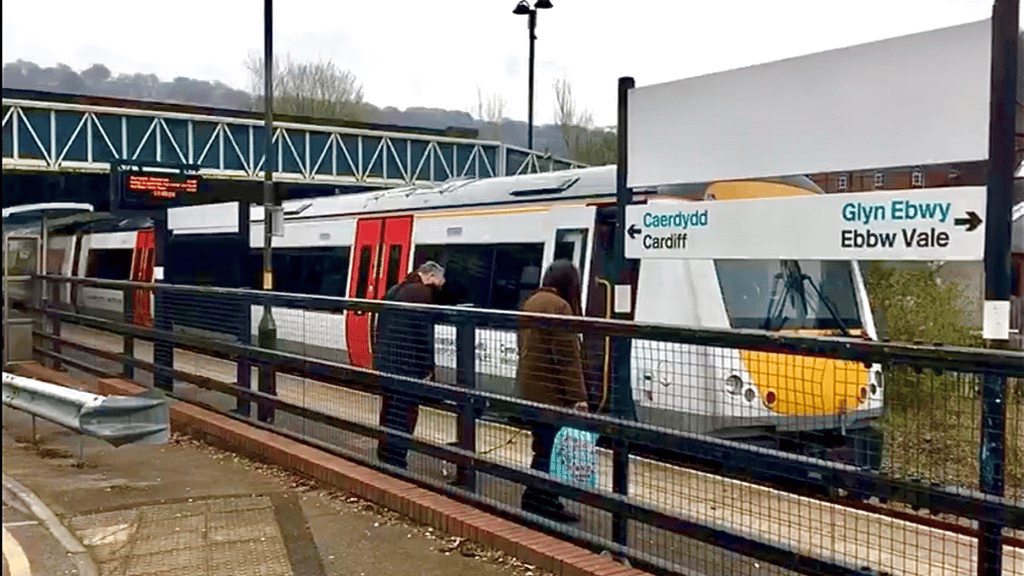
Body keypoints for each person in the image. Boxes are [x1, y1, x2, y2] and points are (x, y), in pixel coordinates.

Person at [516, 260, 589, 523]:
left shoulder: (531, 301)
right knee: (550, 450)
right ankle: (539, 501)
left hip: (529, 388)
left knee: (543, 446)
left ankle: (542, 499)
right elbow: (567, 358)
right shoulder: (560, 307)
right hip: (551, 393)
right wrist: (577, 397)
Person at [374, 261, 445, 470]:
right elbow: (424, 334)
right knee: (405, 413)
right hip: (407, 365)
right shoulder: (421, 293)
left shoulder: (396, 289)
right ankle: (397, 458)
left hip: (387, 361)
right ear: (431, 277)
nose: (442, 284)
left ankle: (385, 454)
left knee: (389, 410)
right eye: (441, 280)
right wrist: (428, 366)